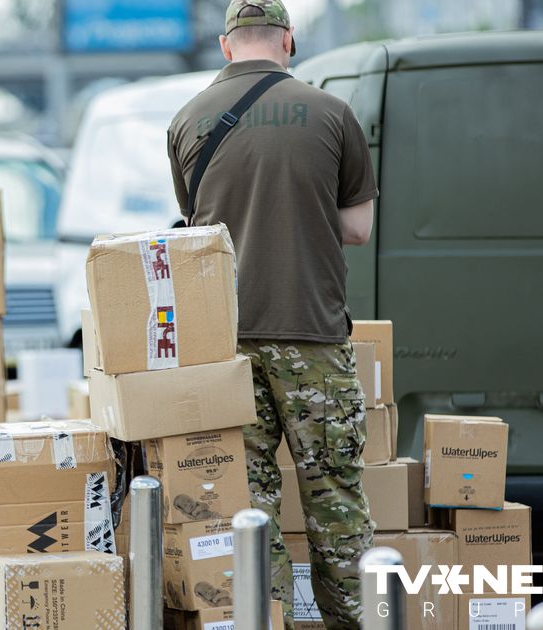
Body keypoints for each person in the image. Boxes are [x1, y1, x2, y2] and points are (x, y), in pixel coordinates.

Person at [166, 1, 378, 628]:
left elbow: (196, 226)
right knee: (335, 497)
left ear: (226, 45)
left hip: (223, 343)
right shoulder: (334, 113)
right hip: (311, 330)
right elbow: (359, 229)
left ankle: (267, 620)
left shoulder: (187, 120)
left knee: (248, 507)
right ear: (288, 40)